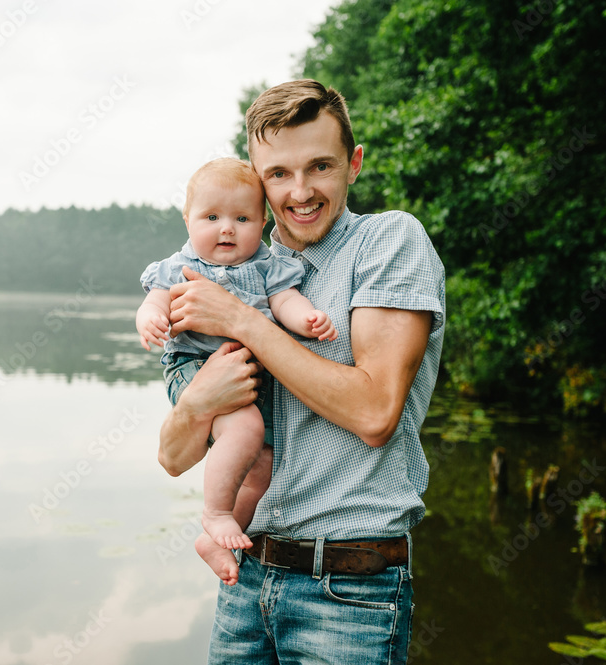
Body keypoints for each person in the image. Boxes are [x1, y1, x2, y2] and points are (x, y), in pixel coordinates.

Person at [157, 80, 446, 664]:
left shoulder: (387, 241)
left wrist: (242, 321)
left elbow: (374, 413)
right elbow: (174, 458)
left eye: (321, 166)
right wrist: (197, 403)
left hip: (348, 592)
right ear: (257, 182)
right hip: (244, 582)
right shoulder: (229, 265)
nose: (302, 191)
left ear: (353, 164)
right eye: (279, 174)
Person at [137, 157, 336, 585]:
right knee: (245, 431)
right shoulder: (177, 267)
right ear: (187, 219)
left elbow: (285, 302)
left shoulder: (268, 266)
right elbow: (156, 300)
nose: (227, 228)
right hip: (194, 364)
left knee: (260, 463)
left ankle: (220, 537)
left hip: (248, 375)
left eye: (242, 218)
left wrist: (308, 319)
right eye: (212, 217)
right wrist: (150, 318)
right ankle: (215, 513)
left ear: (262, 222)